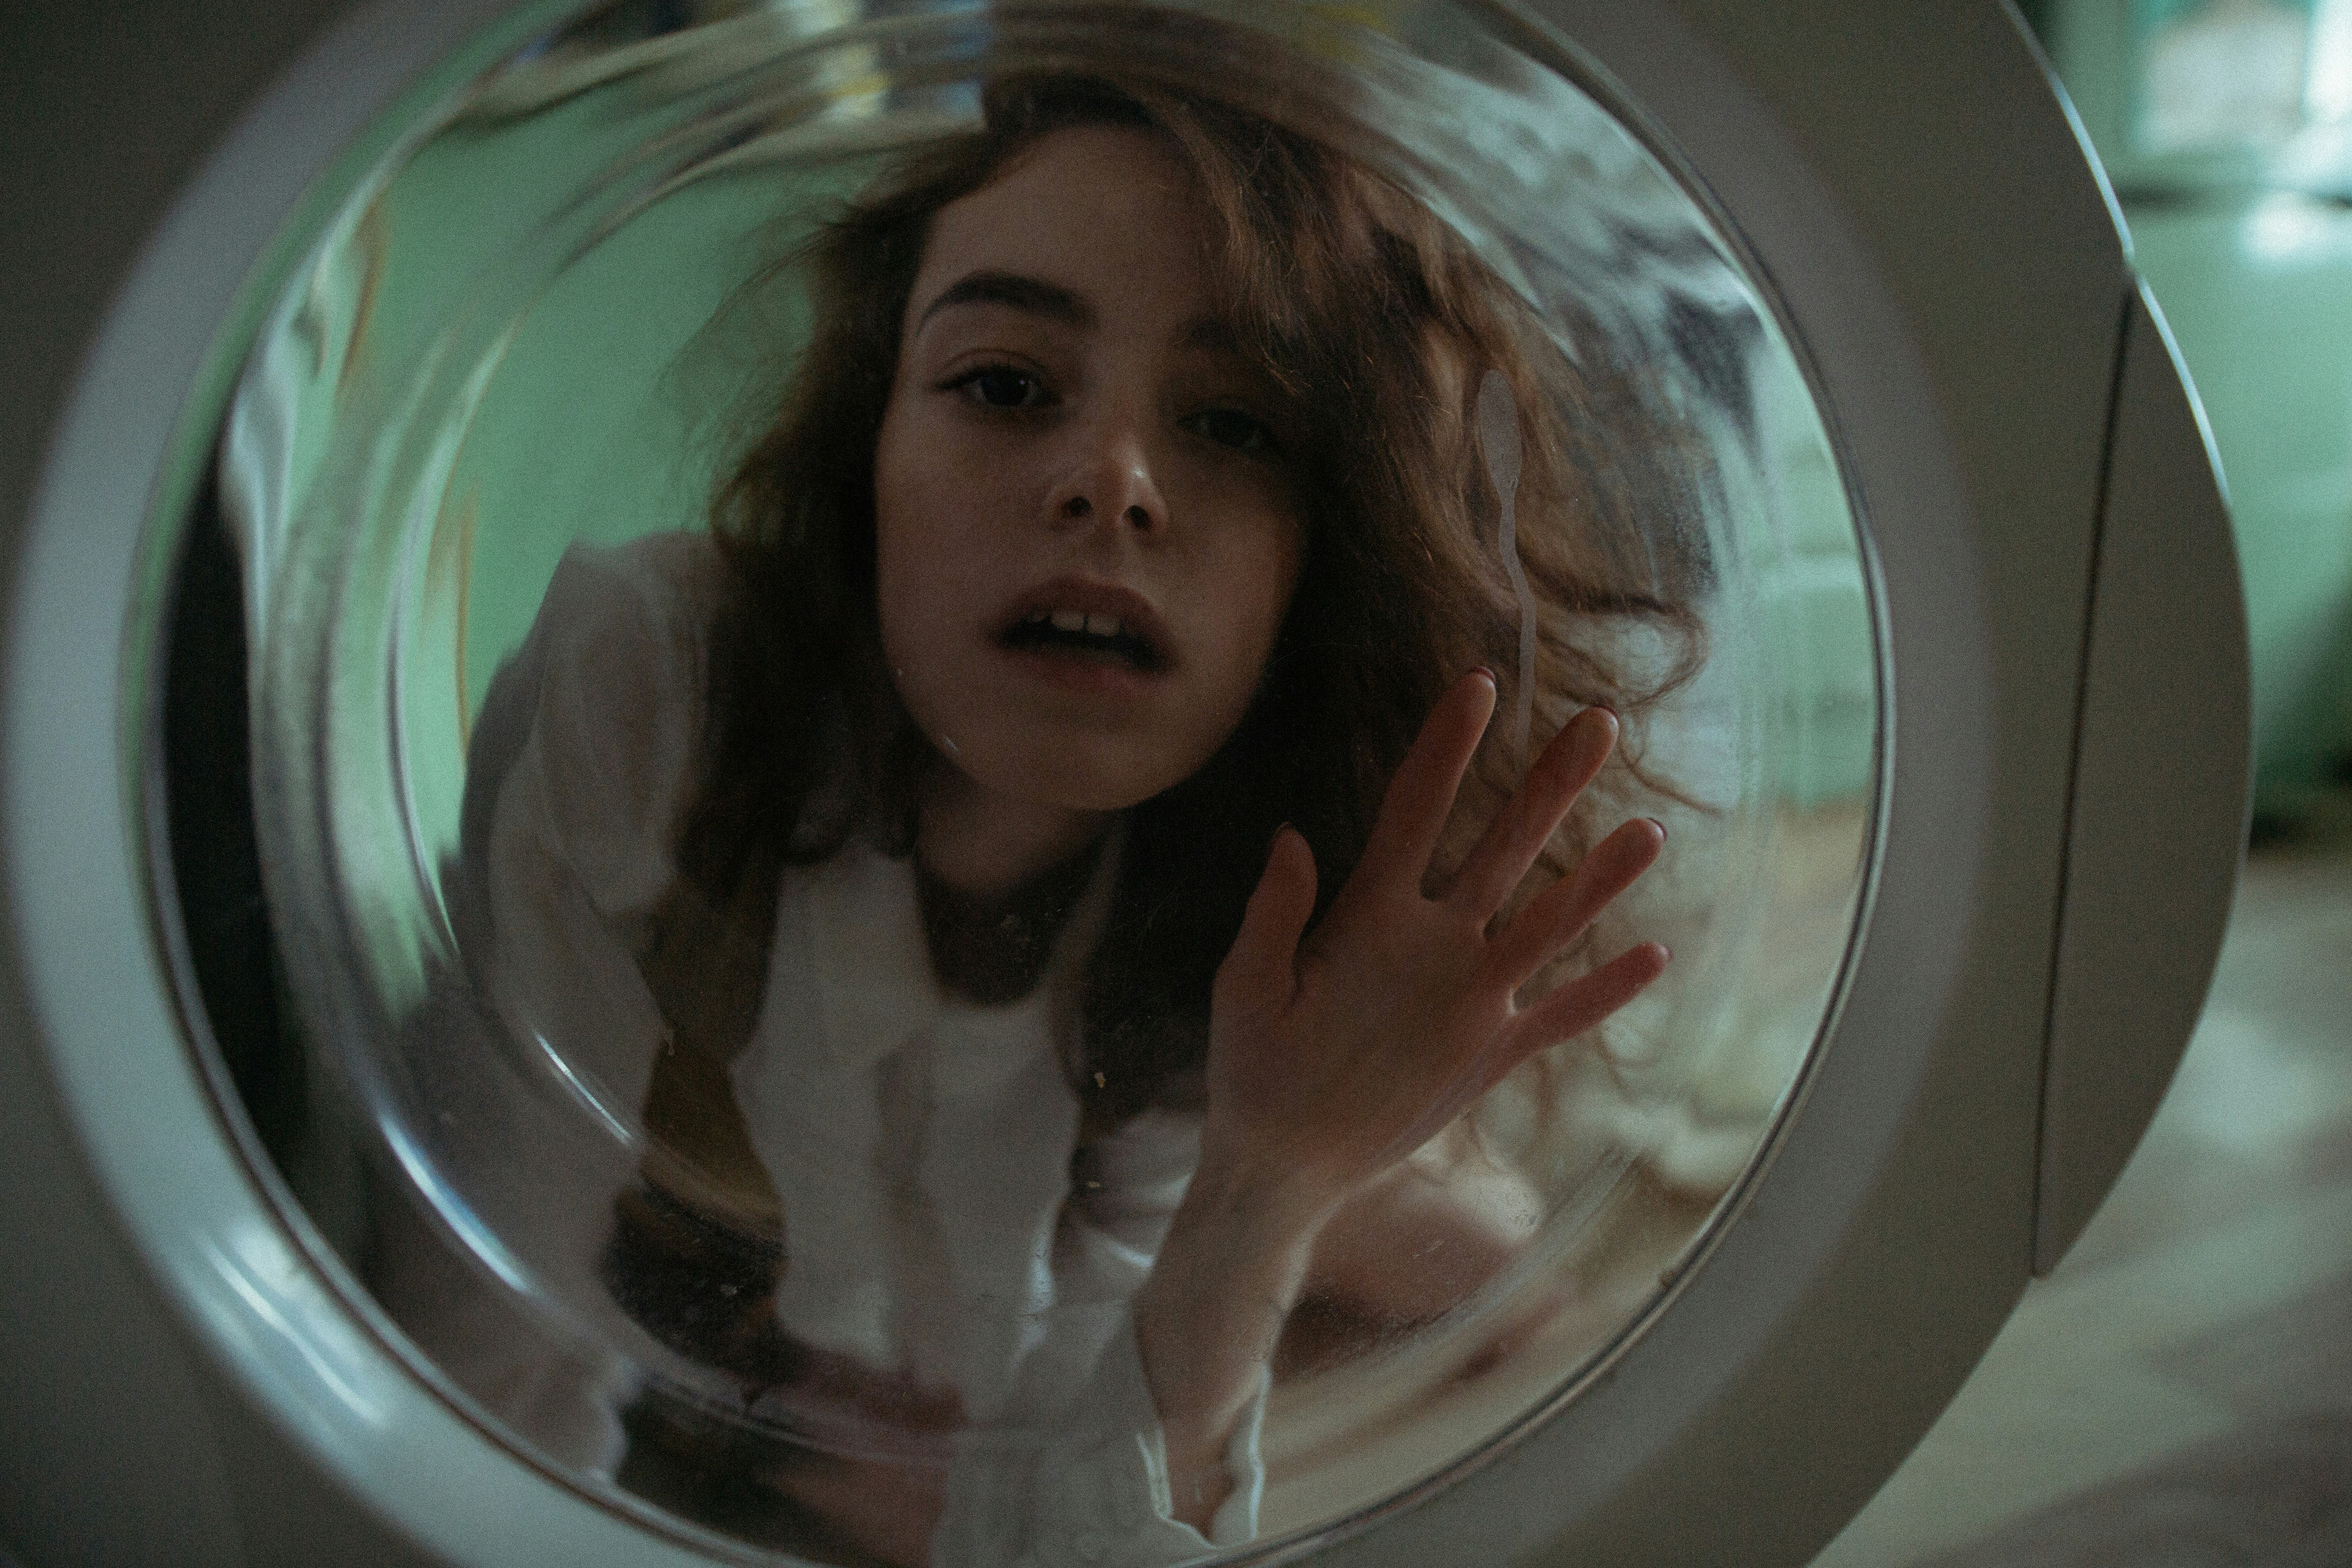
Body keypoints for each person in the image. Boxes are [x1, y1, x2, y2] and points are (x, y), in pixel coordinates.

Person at [450, 70, 1699, 1568]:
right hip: (711, 1271)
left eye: (1236, 423)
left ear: (1325, 555)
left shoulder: (1285, 887)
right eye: (1004, 384)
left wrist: (1275, 1184)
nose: (1113, 484)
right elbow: (478, 1318)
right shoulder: (654, 677)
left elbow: (1061, 1542)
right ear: (872, 454)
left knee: (1450, 1247)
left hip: (1076, 1199)